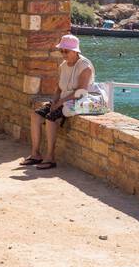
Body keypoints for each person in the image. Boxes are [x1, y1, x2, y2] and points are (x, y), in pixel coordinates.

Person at [24, 33, 94, 170]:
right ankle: (35, 154)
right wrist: (53, 101)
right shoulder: (63, 66)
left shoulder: (85, 66)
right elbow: (58, 88)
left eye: (66, 51)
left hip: (78, 101)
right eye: (61, 50)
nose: (63, 53)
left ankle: (50, 157)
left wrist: (60, 102)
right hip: (63, 99)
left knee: (51, 118)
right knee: (36, 115)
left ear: (75, 51)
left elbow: (81, 91)